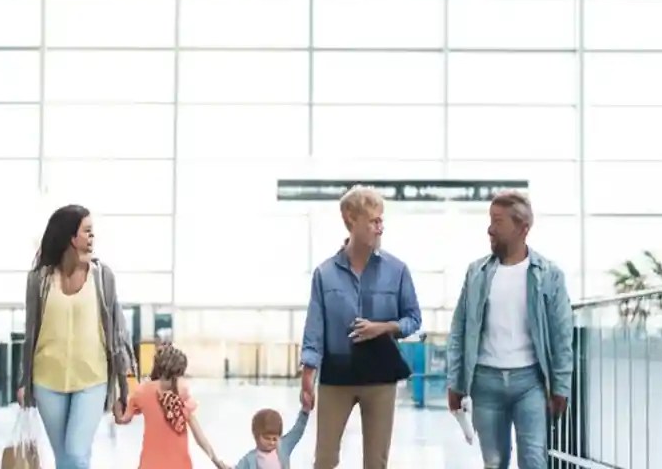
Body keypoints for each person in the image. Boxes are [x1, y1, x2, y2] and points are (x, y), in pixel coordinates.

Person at [445, 190, 574, 469]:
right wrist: (455, 381)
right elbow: (459, 329)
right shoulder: (476, 273)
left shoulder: (549, 274)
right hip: (485, 382)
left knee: (534, 461)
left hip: (530, 383)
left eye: (498, 221)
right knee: (494, 463)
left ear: (522, 228)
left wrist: (561, 386)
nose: (490, 228)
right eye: (491, 220)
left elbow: (562, 335)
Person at [299, 185, 422, 469]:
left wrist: (383, 327)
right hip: (336, 377)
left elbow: (413, 319)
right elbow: (314, 328)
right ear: (351, 220)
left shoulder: (397, 270)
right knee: (325, 459)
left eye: (382, 221)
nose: (380, 228)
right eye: (374, 221)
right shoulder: (325, 274)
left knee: (376, 462)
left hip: (380, 378)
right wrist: (308, 373)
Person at [17, 204, 138, 469]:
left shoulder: (102, 276)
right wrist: (24, 380)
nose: (92, 237)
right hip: (47, 381)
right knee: (67, 458)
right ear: (71, 237)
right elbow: (31, 333)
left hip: (92, 379)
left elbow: (118, 331)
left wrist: (125, 383)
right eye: (87, 231)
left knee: (74, 451)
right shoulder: (39, 280)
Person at [115, 343, 228, 469]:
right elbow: (198, 435)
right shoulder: (181, 392)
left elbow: (123, 419)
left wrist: (117, 406)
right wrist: (216, 460)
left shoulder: (141, 392)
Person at [232, 407, 309, 469]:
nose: (271, 442)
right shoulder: (249, 459)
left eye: (274, 439)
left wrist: (305, 411)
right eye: (267, 438)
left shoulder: (283, 447)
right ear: (256, 436)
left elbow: (297, 431)